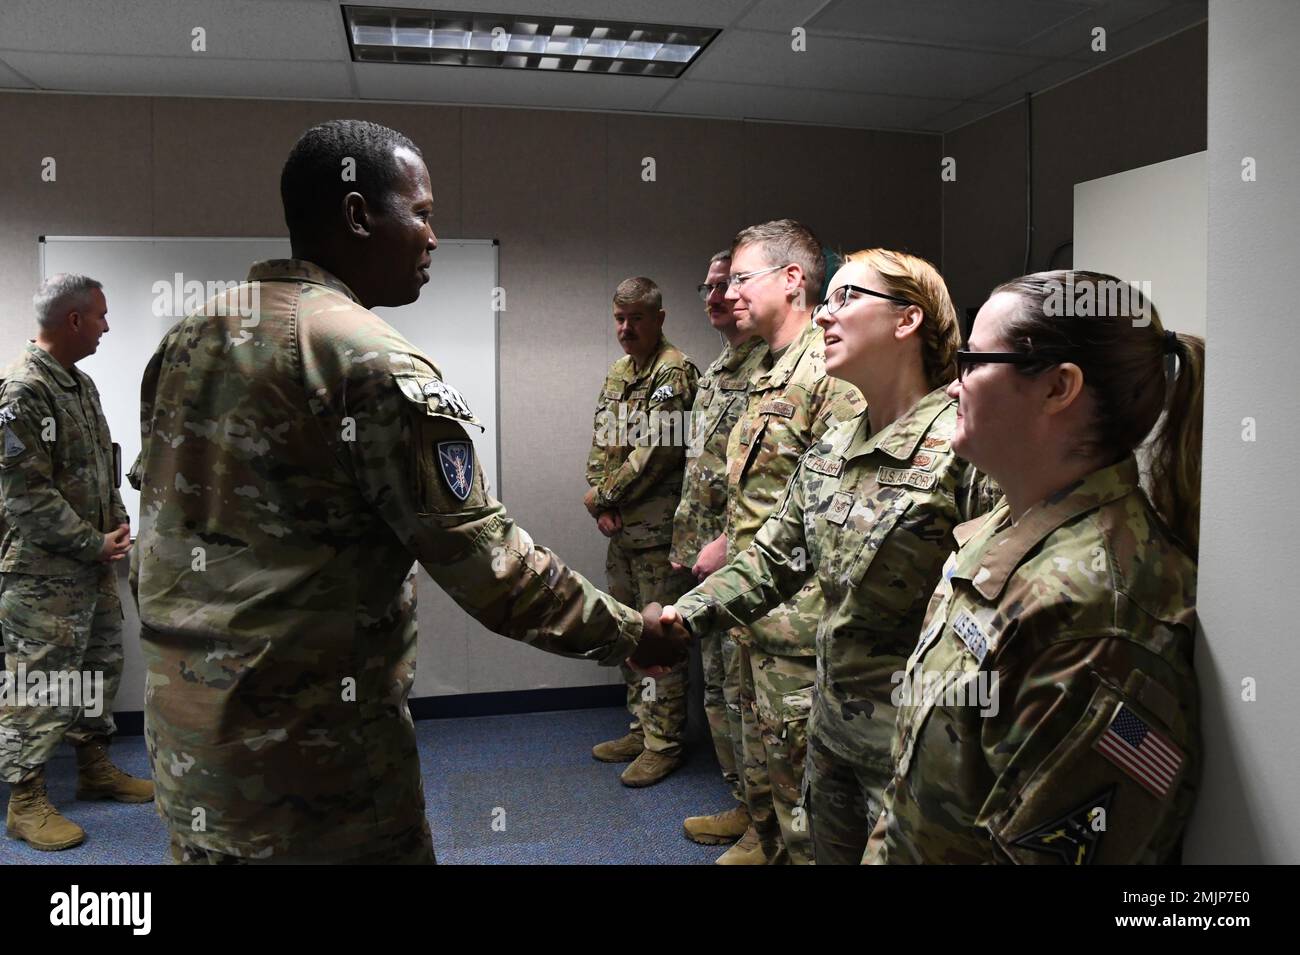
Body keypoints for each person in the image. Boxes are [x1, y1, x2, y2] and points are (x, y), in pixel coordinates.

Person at [130, 119, 674, 864]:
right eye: (420, 212)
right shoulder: (367, 357)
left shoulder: (187, 338)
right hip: (313, 761)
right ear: (358, 216)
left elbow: (164, 516)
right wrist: (631, 632)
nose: (433, 236)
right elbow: (486, 562)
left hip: (190, 734)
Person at [663, 249, 999, 863]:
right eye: (828, 300)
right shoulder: (835, 448)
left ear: (907, 321)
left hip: (917, 752)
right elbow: (772, 561)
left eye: (847, 299)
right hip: (831, 733)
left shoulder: (964, 446)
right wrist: (683, 619)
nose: (824, 317)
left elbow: (1000, 616)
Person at [864, 270, 1203, 864]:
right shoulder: (1012, 523)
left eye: (973, 361)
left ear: (1057, 388)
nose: (951, 388)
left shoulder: (1095, 611)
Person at [680, 219, 865, 864]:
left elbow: (832, 506)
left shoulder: (827, 368)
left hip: (798, 612)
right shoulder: (769, 370)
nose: (729, 292)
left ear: (791, 281)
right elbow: (755, 492)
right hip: (758, 603)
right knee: (765, 749)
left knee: (804, 783)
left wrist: (734, 553)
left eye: (740, 277)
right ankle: (765, 838)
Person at [0, 274, 153, 852]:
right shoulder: (22, 391)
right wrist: (94, 544)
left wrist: (116, 526)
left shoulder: (80, 385)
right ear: (73, 321)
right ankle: (26, 801)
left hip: (89, 567)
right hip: (41, 575)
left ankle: (94, 767)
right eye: (102, 316)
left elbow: (100, 468)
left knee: (96, 669)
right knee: (37, 685)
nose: (107, 326)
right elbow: (25, 497)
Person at [671, 249, 770, 844]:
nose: (714, 296)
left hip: (745, 561)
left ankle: (766, 825)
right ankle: (745, 803)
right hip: (704, 557)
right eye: (707, 287)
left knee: (747, 694)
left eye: (727, 284)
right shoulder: (717, 369)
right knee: (718, 688)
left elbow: (778, 481)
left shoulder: (774, 367)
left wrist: (728, 545)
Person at [585, 277, 699, 787]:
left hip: (657, 534)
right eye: (619, 319)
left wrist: (605, 497)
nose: (625, 329)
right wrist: (599, 502)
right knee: (628, 632)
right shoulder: (618, 373)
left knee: (659, 636)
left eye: (635, 319)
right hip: (621, 530)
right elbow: (603, 441)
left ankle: (663, 744)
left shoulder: (672, 373)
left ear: (659, 318)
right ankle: (640, 727)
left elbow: (656, 454)